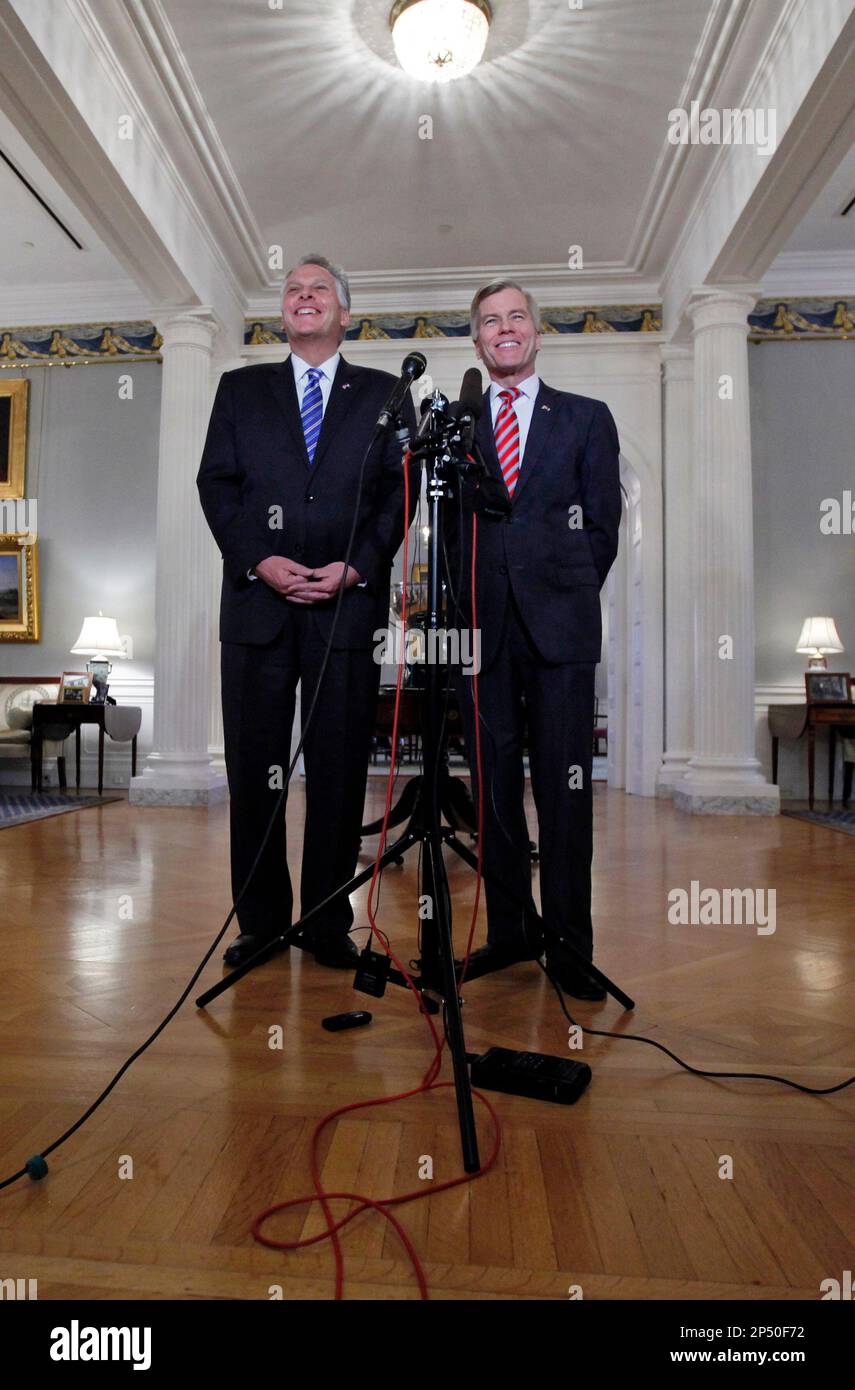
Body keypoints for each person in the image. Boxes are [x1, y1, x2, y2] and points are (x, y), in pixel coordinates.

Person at [197, 255, 416, 968]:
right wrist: (259, 560)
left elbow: (397, 496)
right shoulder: (239, 390)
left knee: (338, 771)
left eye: (319, 288)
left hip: (344, 611)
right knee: (255, 768)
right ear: (282, 313)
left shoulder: (387, 395)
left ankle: (326, 924)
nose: (304, 296)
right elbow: (218, 485)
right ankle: (260, 924)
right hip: (258, 609)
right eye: (293, 289)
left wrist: (356, 567)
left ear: (344, 313)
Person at [451, 280, 621, 999]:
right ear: (478, 341)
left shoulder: (585, 418)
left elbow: (603, 529)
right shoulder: (455, 425)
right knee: (491, 793)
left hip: (559, 631)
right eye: (490, 321)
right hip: (479, 634)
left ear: (536, 333)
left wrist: (560, 589)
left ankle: (570, 946)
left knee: (565, 790)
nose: (504, 329)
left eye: (515, 316)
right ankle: (510, 933)